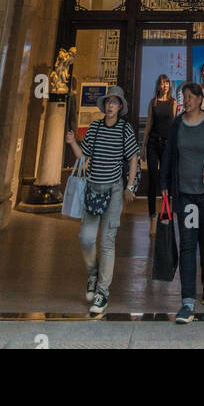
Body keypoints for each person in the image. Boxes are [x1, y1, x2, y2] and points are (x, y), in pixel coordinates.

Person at [65, 85, 139, 318]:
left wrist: (129, 185)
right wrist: (72, 143)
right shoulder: (95, 127)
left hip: (114, 190)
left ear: (120, 107)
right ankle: (93, 273)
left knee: (107, 241)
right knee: (86, 238)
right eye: (108, 102)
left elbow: (133, 158)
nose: (110, 106)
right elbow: (84, 157)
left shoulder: (125, 129)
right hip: (92, 189)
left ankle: (102, 292)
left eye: (115, 103)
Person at [161, 81, 204, 324]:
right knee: (188, 245)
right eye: (185, 96)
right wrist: (164, 186)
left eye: (192, 96)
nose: (187, 100)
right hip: (185, 194)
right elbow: (169, 154)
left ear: (201, 99)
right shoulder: (178, 123)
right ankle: (187, 301)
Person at [142, 72, 177, 234]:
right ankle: (152, 216)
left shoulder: (173, 103)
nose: (165, 85)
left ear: (169, 85)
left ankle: (165, 213)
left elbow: (175, 127)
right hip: (153, 144)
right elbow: (148, 124)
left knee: (165, 180)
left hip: (168, 145)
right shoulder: (153, 103)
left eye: (167, 82)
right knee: (153, 181)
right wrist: (143, 146)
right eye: (162, 82)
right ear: (158, 85)